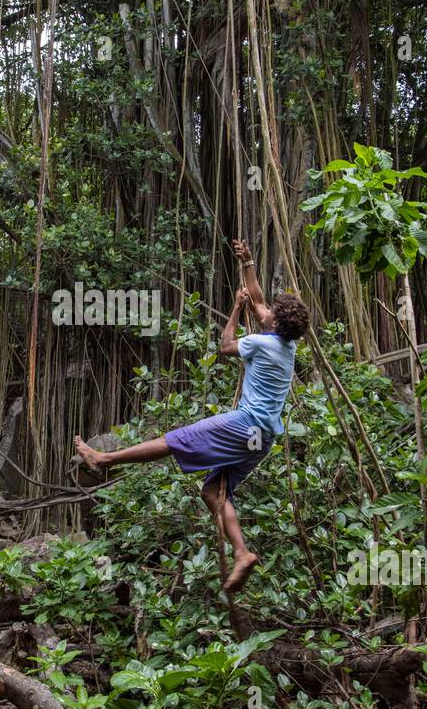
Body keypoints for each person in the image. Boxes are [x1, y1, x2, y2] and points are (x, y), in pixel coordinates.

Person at [74, 239, 310, 596]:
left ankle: (104, 458)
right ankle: (241, 553)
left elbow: (225, 345)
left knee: (177, 439)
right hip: (263, 440)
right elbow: (260, 301)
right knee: (214, 491)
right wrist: (247, 262)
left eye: (271, 313)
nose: (266, 312)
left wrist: (234, 309)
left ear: (275, 323)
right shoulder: (287, 346)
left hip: (245, 424)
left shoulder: (261, 344)